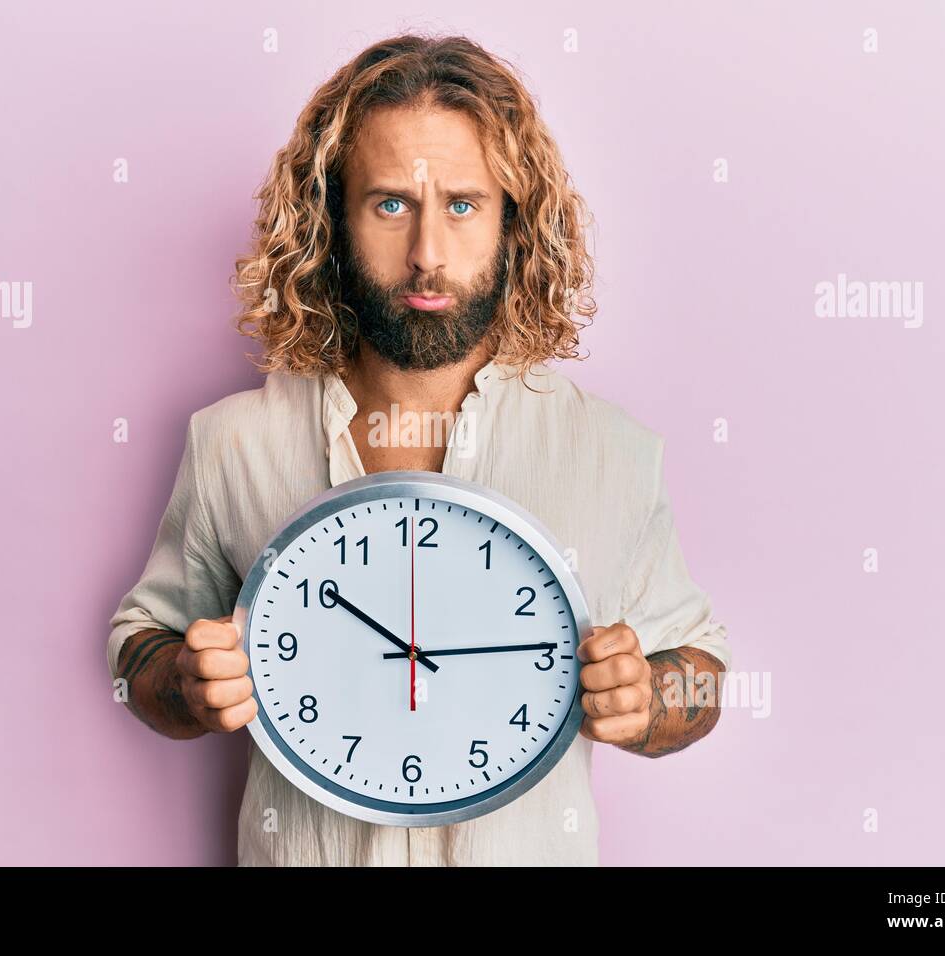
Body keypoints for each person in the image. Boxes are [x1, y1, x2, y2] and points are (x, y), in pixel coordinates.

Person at [108, 33, 732, 866]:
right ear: (333, 220)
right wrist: (184, 681)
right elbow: (139, 642)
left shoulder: (612, 451)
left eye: (464, 205)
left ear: (515, 222)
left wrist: (652, 699)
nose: (429, 254)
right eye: (392, 204)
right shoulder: (233, 443)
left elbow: (703, 671)